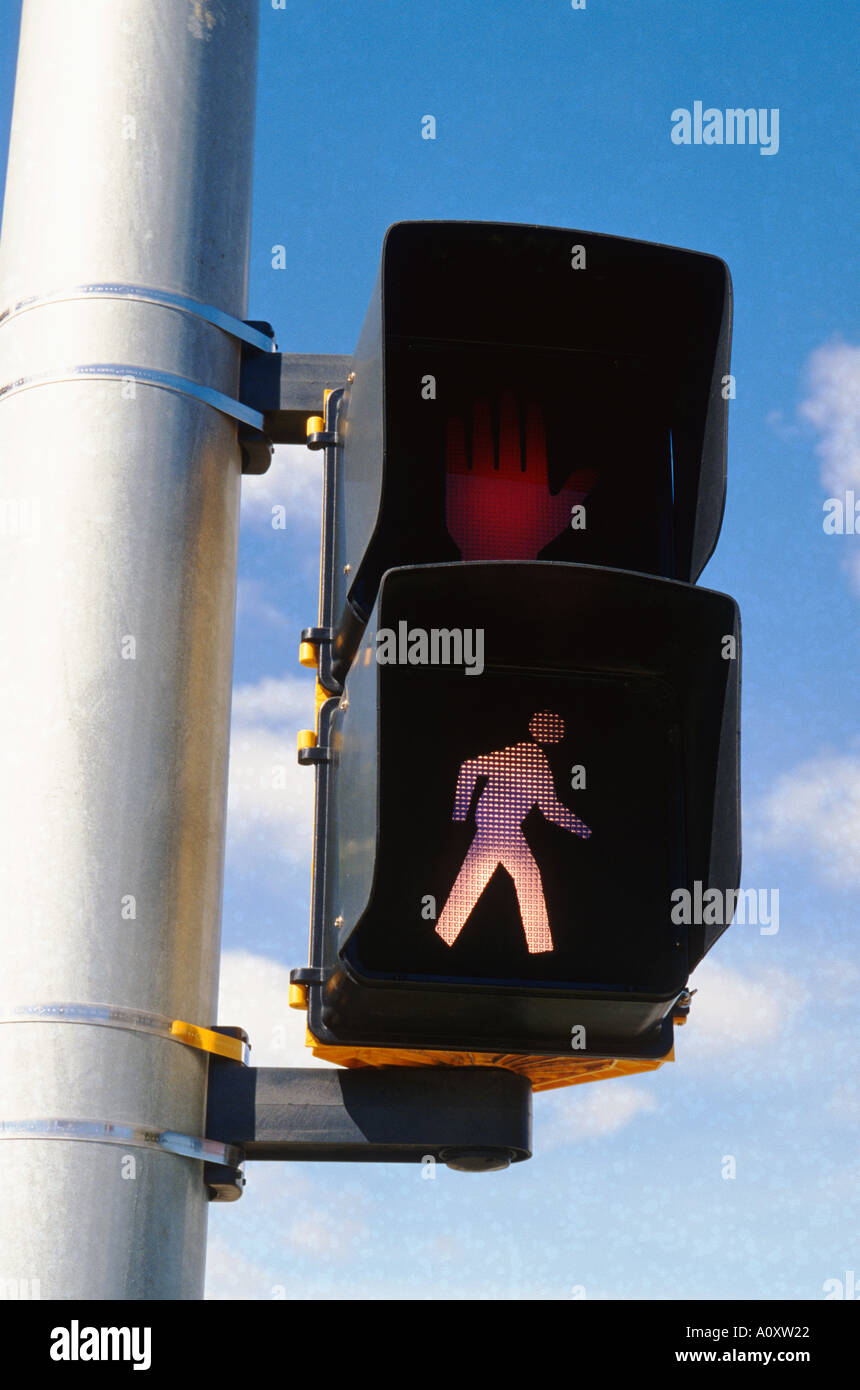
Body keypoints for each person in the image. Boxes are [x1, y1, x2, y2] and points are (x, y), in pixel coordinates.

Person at [435, 710, 591, 954]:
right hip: (496, 827)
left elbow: (550, 809)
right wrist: (458, 816)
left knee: (482, 880)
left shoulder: (539, 762)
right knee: (523, 877)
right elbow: (468, 767)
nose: (556, 734)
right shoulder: (519, 754)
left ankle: (445, 936)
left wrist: (584, 831)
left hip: (503, 828)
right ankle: (539, 948)